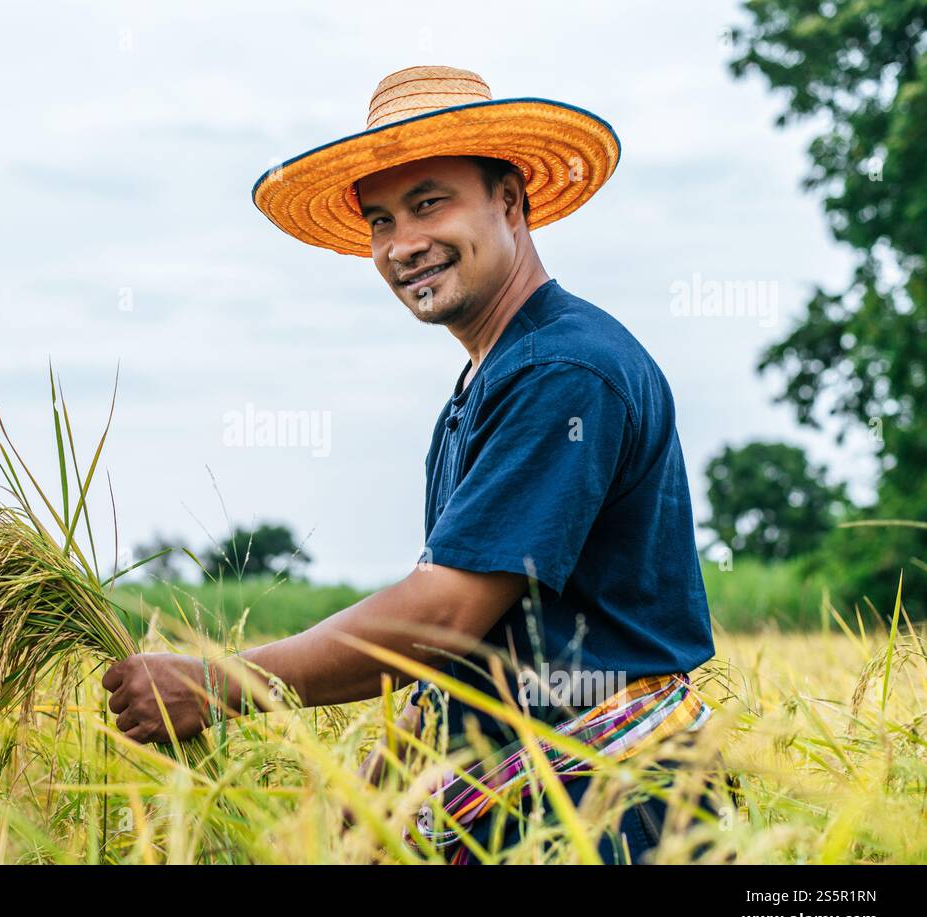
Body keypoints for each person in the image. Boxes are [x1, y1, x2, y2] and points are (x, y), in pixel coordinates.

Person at [101, 65, 724, 863]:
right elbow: (485, 637)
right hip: (523, 804)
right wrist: (397, 763)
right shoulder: (486, 380)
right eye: (380, 220)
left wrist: (220, 683)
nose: (403, 245)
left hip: (612, 811)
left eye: (430, 202)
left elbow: (440, 615)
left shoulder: (562, 372)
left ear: (509, 199)